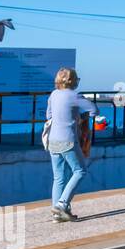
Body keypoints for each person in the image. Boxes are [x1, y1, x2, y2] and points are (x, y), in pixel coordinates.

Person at [44, 67, 98, 222]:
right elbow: (94, 109)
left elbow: (49, 115)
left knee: (59, 177)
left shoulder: (53, 95)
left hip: (52, 141)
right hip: (68, 140)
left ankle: (57, 214)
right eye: (77, 79)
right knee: (80, 171)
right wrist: (82, 118)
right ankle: (62, 204)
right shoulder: (75, 95)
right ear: (72, 81)